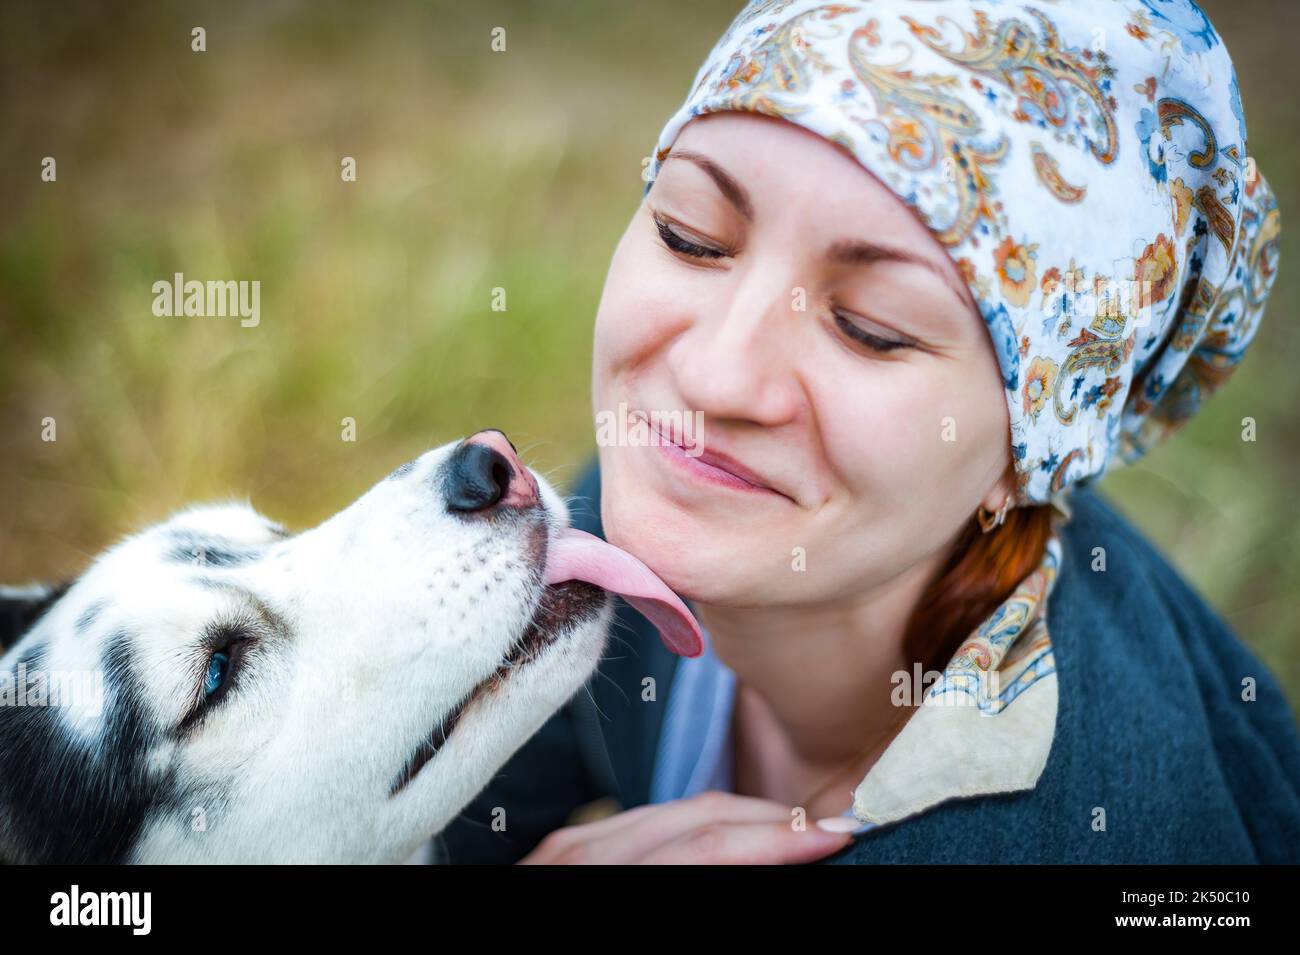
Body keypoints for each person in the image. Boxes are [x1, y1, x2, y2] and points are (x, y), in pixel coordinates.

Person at [436, 0, 1298, 863]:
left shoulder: (1092, 839)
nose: (714, 376)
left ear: (1034, 447)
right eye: (689, 236)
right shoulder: (656, 514)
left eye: (871, 326)